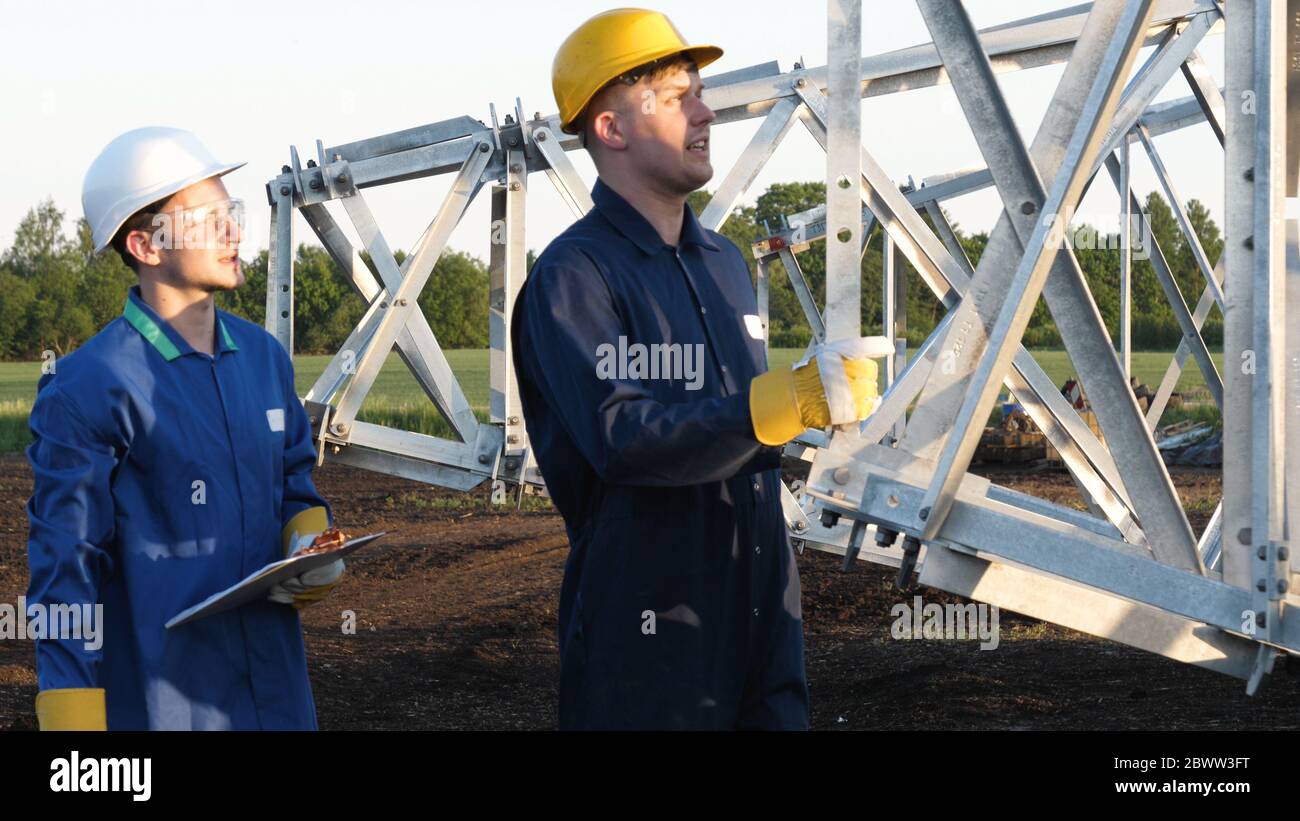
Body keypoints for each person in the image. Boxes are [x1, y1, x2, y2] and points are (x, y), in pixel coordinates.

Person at [512, 8, 882, 729]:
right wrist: (777, 402)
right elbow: (623, 437)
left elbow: (744, 433)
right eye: (678, 97)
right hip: (646, 635)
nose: (706, 112)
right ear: (611, 130)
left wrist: (813, 402)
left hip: (762, 617)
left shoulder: (727, 264)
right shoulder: (574, 276)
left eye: (700, 91)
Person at [26, 126, 345, 730]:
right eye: (208, 219)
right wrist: (72, 720)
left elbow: (295, 484)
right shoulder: (86, 388)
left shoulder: (264, 358)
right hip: (160, 705)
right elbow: (64, 571)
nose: (235, 232)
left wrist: (310, 547)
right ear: (146, 246)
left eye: (233, 213)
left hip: (279, 699)